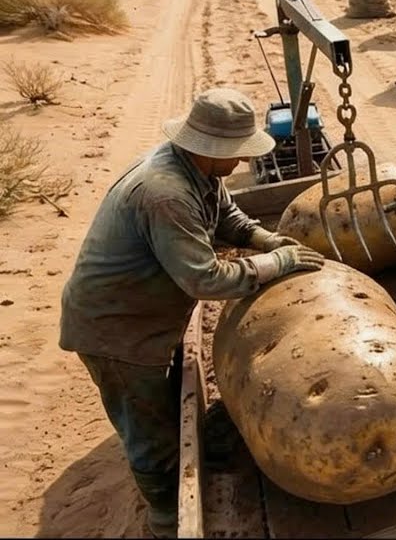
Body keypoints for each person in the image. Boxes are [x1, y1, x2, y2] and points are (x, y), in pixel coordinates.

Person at [59, 88, 326, 538]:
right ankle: (165, 519)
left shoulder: (195, 169)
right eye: (237, 154)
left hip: (143, 316)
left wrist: (265, 241)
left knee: (159, 408)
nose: (242, 163)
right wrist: (277, 264)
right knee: (151, 439)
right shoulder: (165, 194)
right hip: (116, 330)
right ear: (211, 149)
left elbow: (227, 215)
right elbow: (206, 281)